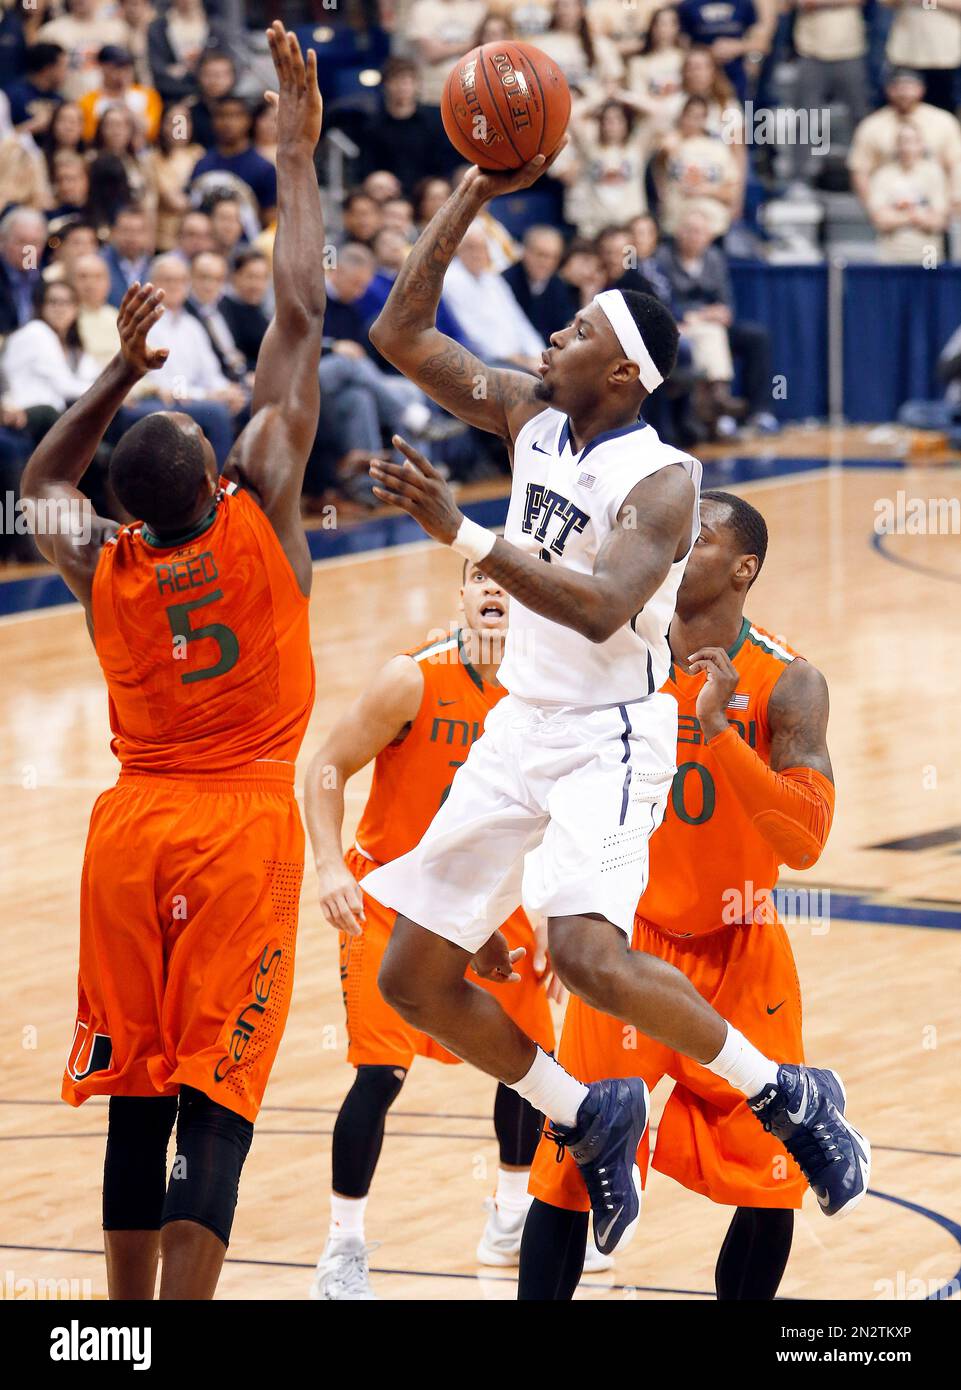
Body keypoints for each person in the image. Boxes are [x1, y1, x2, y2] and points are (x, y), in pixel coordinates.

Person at [362, 146, 870, 1256]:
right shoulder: (530, 418)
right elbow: (397, 335)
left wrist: (461, 529)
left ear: (625, 375)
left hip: (610, 735)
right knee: (410, 975)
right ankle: (580, 1110)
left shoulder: (665, 478)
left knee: (586, 954)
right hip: (522, 725)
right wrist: (469, 192)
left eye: (580, 332)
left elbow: (600, 608)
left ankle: (787, 1096)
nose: (554, 338)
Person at [18, 22, 325, 1302]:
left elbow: (38, 476)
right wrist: (294, 156)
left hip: (128, 834)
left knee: (137, 1095)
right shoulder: (266, 522)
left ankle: (123, 1333)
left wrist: (114, 368)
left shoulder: (109, 573)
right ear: (218, 477)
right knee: (218, 1095)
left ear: (135, 510)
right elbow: (301, 311)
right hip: (239, 835)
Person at [520, 491, 833, 1299]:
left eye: (695, 540)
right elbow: (538, 784)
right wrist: (555, 916)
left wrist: (720, 731)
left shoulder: (787, 681)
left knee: (772, 1175)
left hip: (739, 945)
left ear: (742, 568)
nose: (669, 549)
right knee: (564, 1168)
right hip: (626, 945)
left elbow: (802, 842)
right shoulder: (618, 656)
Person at [304, 570, 563, 1299]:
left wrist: (548, 918)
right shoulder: (411, 679)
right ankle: (343, 1246)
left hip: (488, 899)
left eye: (506, 583)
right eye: (478, 579)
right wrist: (329, 867)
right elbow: (326, 767)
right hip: (387, 895)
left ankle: (511, 1215)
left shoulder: (545, 693)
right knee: (378, 1074)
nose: (492, 591)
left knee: (528, 1061)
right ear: (459, 598)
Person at [658, 208, 776, 434]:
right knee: (711, 334)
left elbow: (726, 305)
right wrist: (701, 314)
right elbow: (665, 303)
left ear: (709, 236)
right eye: (690, 230)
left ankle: (759, 412)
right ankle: (719, 403)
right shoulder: (663, 258)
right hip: (680, 326)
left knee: (757, 337)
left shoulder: (714, 258)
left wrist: (716, 315)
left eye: (700, 232)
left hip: (712, 327)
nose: (694, 236)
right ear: (679, 233)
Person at [135, 251, 245, 465]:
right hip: (161, 400)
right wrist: (209, 395)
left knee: (250, 405)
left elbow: (210, 373)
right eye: (168, 280)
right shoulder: (145, 323)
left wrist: (227, 390)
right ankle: (218, 492)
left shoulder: (192, 325)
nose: (175, 286)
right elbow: (164, 384)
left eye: (181, 280)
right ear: (152, 283)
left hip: (196, 397)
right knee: (217, 412)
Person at [848, 67, 961, 215]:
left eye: (910, 87)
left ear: (921, 89)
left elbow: (956, 164)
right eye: (898, 87)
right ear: (888, 90)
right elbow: (859, 170)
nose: (904, 93)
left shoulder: (943, 121)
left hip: (934, 204)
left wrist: (954, 203)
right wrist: (875, 211)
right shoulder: (872, 125)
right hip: (889, 203)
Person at [0, 278, 99, 440]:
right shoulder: (37, 332)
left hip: (53, 417)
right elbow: (66, 386)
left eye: (66, 302)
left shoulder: (73, 348)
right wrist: (113, 391)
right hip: (25, 415)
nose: (60, 309)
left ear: (76, 309)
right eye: (53, 302)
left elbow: (93, 376)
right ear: (41, 306)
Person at [443, 223, 544, 367]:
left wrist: (538, 354)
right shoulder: (450, 279)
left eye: (482, 248)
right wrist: (514, 358)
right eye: (471, 247)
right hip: (483, 360)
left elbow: (518, 320)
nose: (477, 254)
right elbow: (470, 331)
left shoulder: (493, 279)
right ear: (459, 249)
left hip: (519, 359)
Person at [868, 120, 948, 265]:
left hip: (928, 258)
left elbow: (939, 220)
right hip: (890, 258)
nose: (908, 147)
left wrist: (898, 213)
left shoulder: (934, 173)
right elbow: (880, 220)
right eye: (903, 141)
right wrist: (917, 214)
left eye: (913, 141)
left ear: (922, 144)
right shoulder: (883, 175)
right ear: (896, 145)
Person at [191, 94, 277, 223]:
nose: (228, 122)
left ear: (248, 120)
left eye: (236, 116)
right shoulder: (203, 163)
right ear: (213, 121)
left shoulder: (264, 168)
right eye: (221, 116)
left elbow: (271, 221)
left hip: (250, 242)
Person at [77, 43, 162, 143]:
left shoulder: (148, 95)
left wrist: (124, 97)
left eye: (127, 66)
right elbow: (89, 135)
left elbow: (150, 133)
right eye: (117, 66)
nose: (123, 72)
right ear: (103, 67)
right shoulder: (88, 101)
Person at [502, 225, 573, 343]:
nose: (547, 263)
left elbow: (564, 324)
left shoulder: (557, 285)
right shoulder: (504, 283)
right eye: (541, 255)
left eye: (553, 257)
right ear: (525, 251)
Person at [0, 206, 47, 336]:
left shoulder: (42, 279)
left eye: (34, 243)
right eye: (21, 242)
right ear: (2, 240)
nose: (27, 251)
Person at [100, 204, 152, 307]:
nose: (131, 237)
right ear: (114, 232)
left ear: (147, 234)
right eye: (126, 230)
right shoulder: (100, 263)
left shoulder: (155, 266)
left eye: (138, 231)